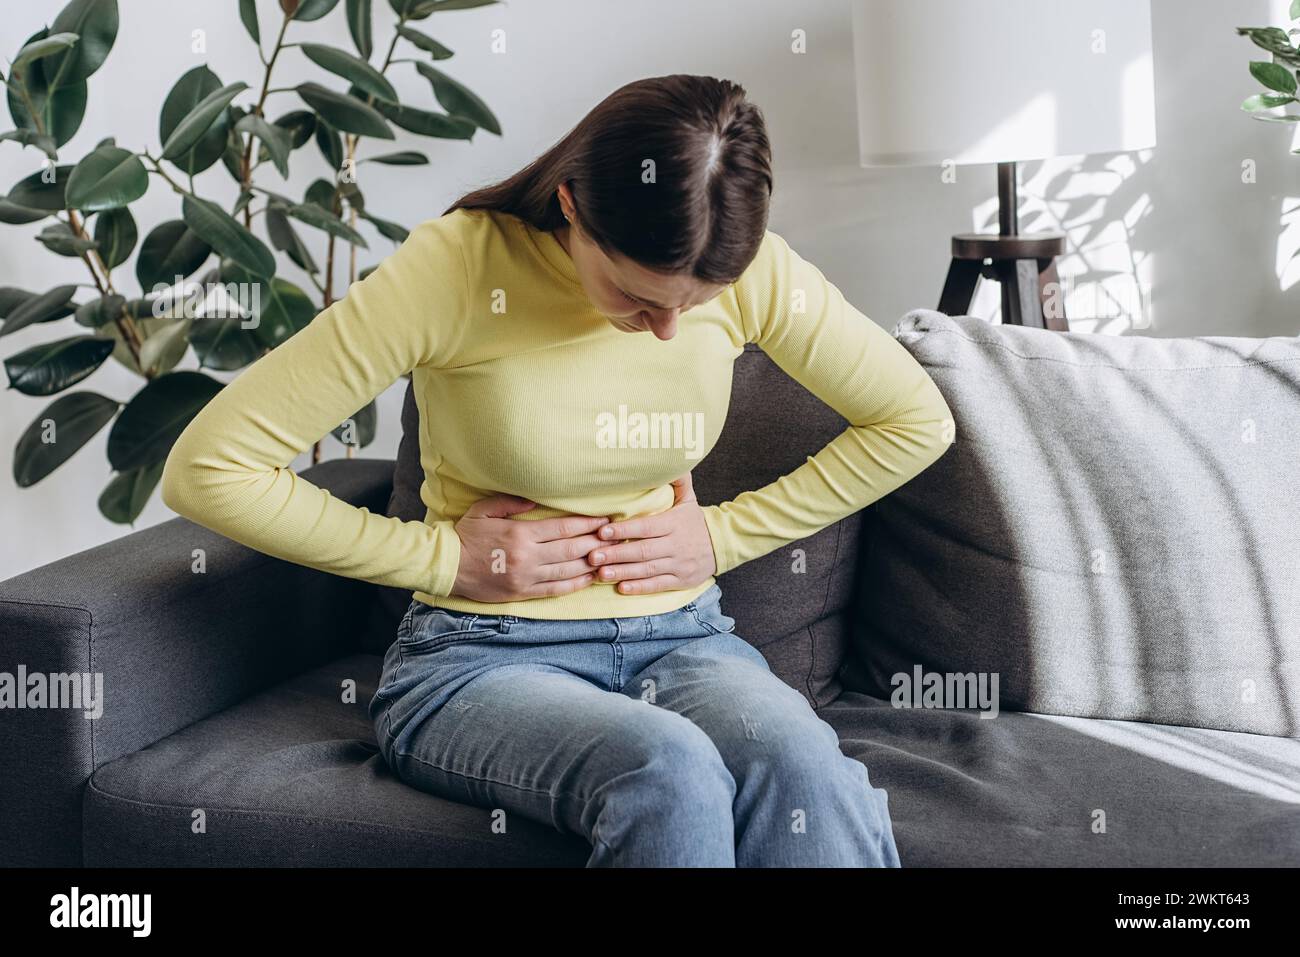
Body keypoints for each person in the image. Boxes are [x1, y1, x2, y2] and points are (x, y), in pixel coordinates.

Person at [160, 73, 954, 867]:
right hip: (481, 655)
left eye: (697, 303)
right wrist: (440, 557)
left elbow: (915, 419)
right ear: (573, 204)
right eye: (638, 297)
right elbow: (209, 467)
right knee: (667, 771)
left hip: (683, 638)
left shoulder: (757, 276)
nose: (669, 330)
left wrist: (722, 535)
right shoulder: (458, 269)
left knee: (809, 771)